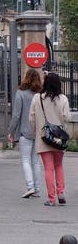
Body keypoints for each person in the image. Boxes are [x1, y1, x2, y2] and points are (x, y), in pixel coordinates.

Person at [29, 72, 71, 207]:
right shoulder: (63, 99)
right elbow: (67, 118)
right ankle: (61, 193)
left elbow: (32, 118)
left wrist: (35, 132)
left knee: (48, 168)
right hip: (59, 139)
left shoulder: (37, 98)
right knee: (59, 166)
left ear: (45, 83)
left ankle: (52, 198)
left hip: (43, 138)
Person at [8, 68, 43, 198]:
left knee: (26, 161)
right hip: (38, 132)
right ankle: (37, 188)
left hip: (25, 132)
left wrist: (11, 131)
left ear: (26, 77)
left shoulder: (20, 93)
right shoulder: (40, 94)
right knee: (35, 161)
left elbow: (16, 115)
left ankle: (30, 186)